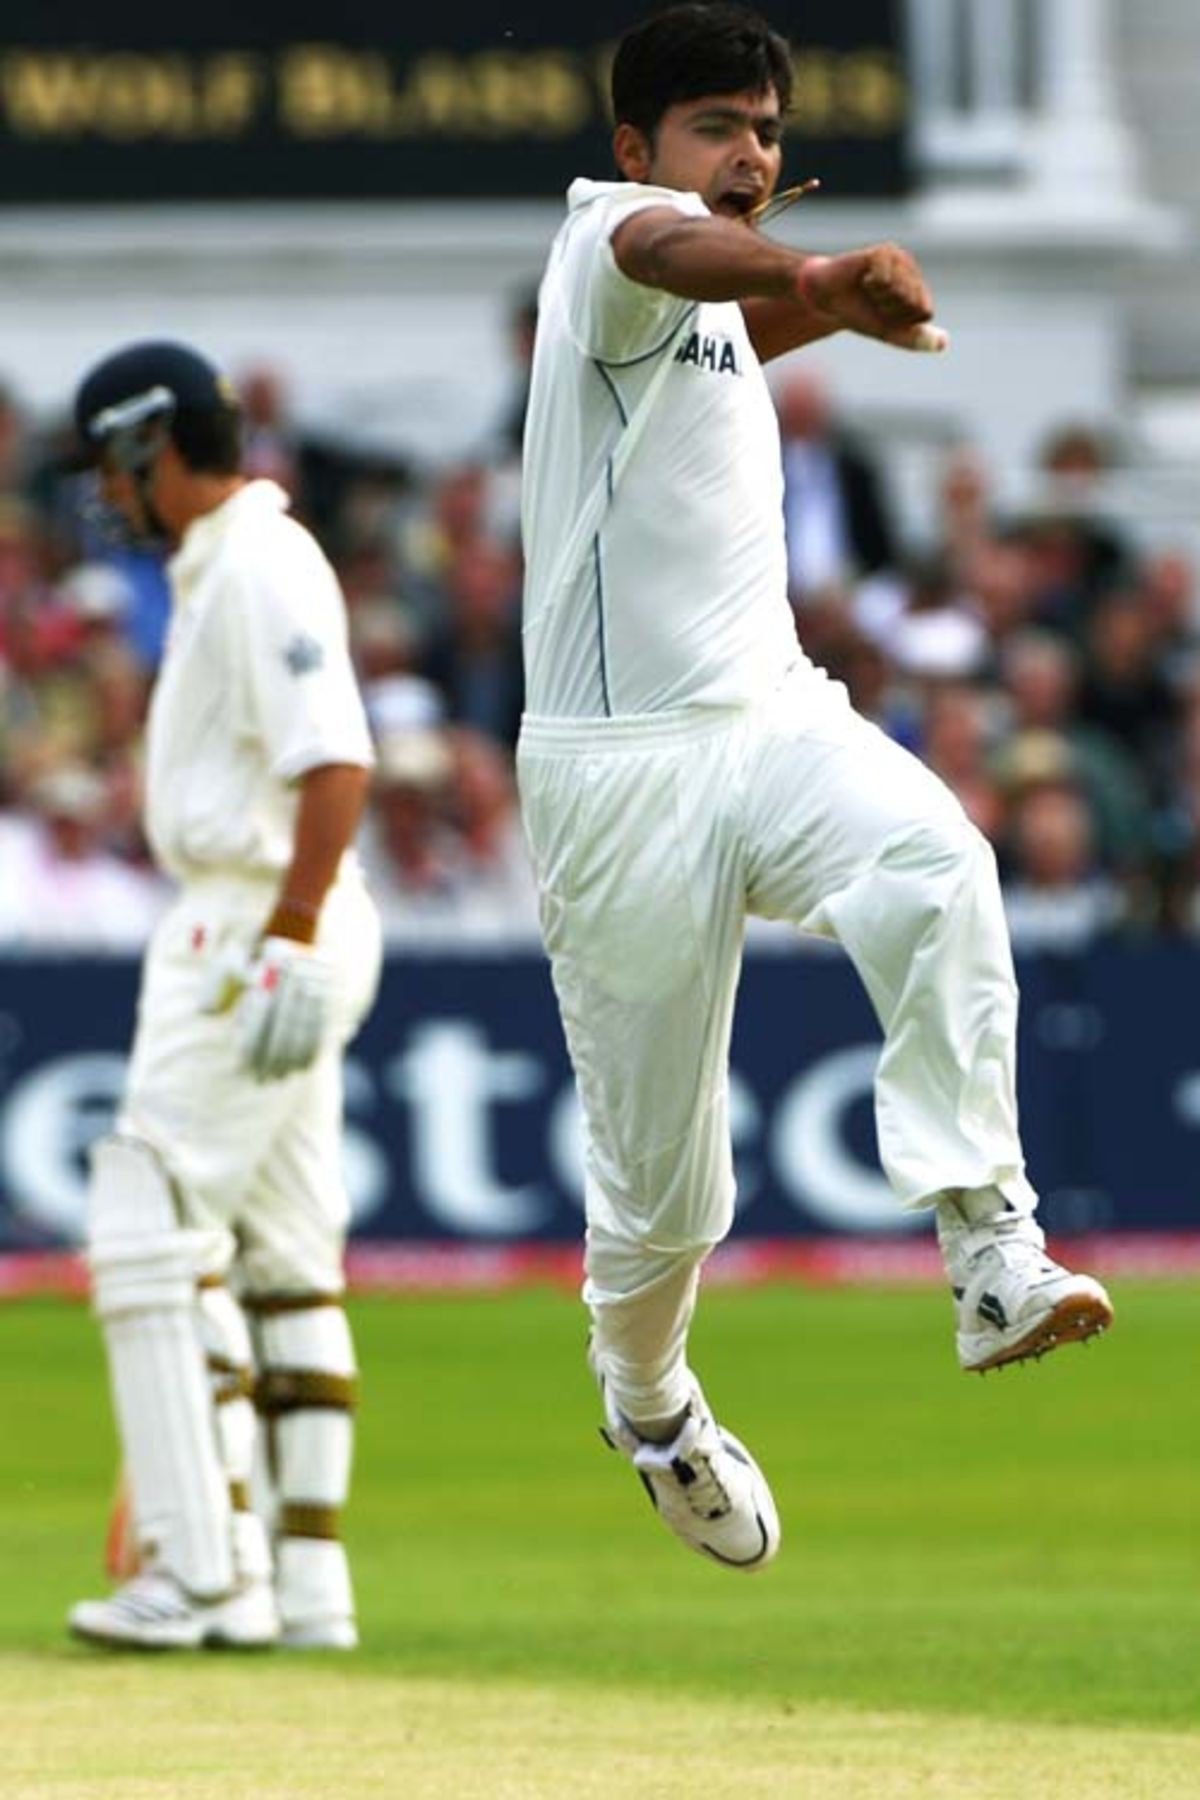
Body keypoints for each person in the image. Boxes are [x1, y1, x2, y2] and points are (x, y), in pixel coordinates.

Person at [516, 2, 1113, 1574]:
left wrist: (824, 300)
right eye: (719, 129)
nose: (753, 158)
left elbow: (725, 325)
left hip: (769, 720)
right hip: (617, 768)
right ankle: (648, 1402)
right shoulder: (606, 240)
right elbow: (674, 264)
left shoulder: (717, 297)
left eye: (769, 134)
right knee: (668, 1206)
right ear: (640, 148)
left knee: (937, 859)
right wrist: (801, 272)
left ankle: (991, 1246)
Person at [65, 341, 381, 1649]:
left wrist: (292, 933)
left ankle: (202, 1573)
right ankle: (306, 1585)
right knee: (286, 1258)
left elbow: (336, 764)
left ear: (155, 447)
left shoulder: (255, 562)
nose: (106, 496)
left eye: (111, 467)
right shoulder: (228, 567)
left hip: (256, 920)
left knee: (150, 1218)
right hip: (268, 917)